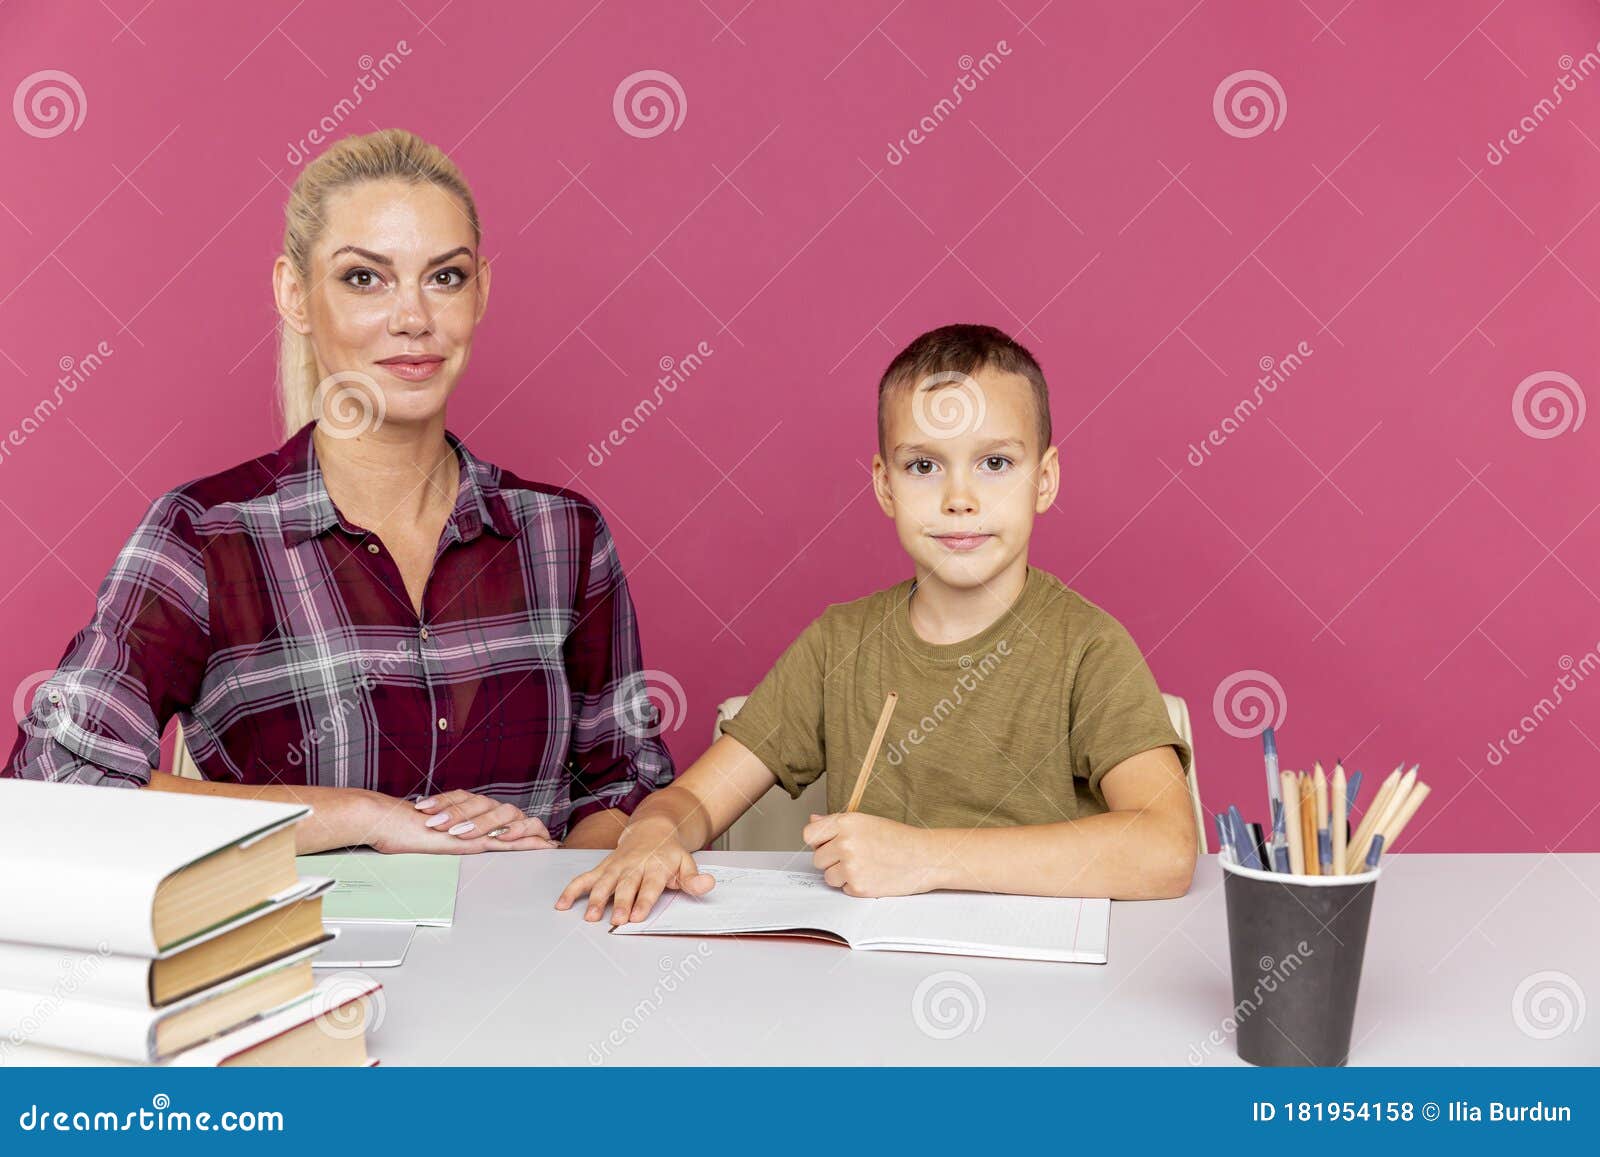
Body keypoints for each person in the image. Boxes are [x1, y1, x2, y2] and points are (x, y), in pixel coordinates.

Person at [6, 128, 673, 855]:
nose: (413, 319)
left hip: (535, 932)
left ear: (480, 291)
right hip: (308, 934)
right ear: (295, 294)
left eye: (445, 277)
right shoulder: (206, 535)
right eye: (364, 278)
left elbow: (626, 789)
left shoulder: (563, 536)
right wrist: (366, 817)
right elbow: (55, 779)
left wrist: (547, 889)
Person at [557, 323, 1196, 924]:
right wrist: (653, 832)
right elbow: (694, 799)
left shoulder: (1088, 648)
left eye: (995, 463)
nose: (959, 498)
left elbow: (1166, 848)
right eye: (924, 466)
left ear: (1045, 480)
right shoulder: (839, 645)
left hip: (1038, 980)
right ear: (885, 486)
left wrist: (927, 858)